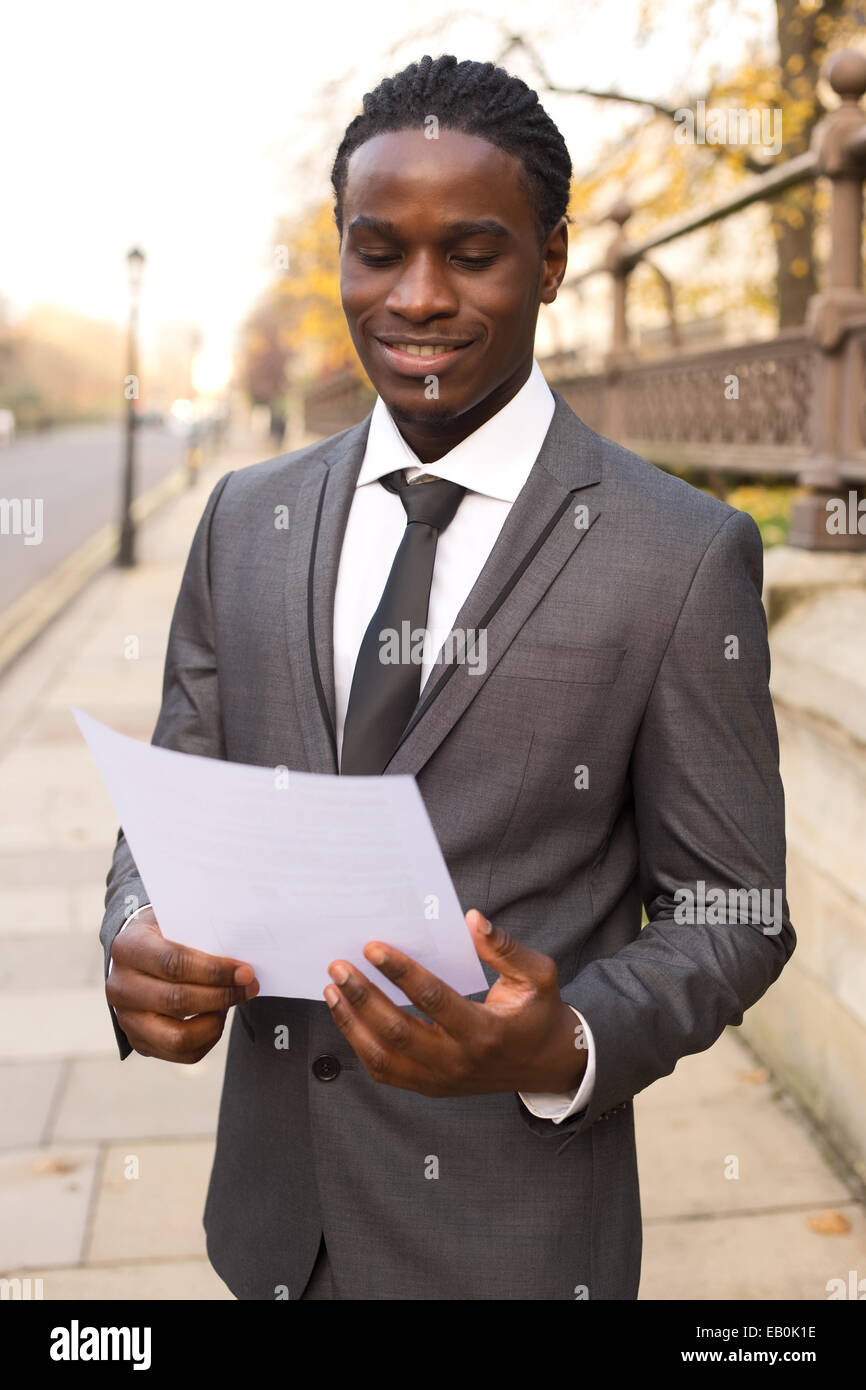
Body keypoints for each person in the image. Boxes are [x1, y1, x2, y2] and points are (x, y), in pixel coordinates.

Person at [101, 54, 795, 1301]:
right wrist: (133, 934)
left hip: (512, 1244)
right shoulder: (242, 516)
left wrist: (565, 1038)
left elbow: (733, 908)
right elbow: (174, 794)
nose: (415, 298)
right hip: (270, 1234)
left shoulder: (680, 556)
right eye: (378, 251)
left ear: (552, 259)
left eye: (470, 253)